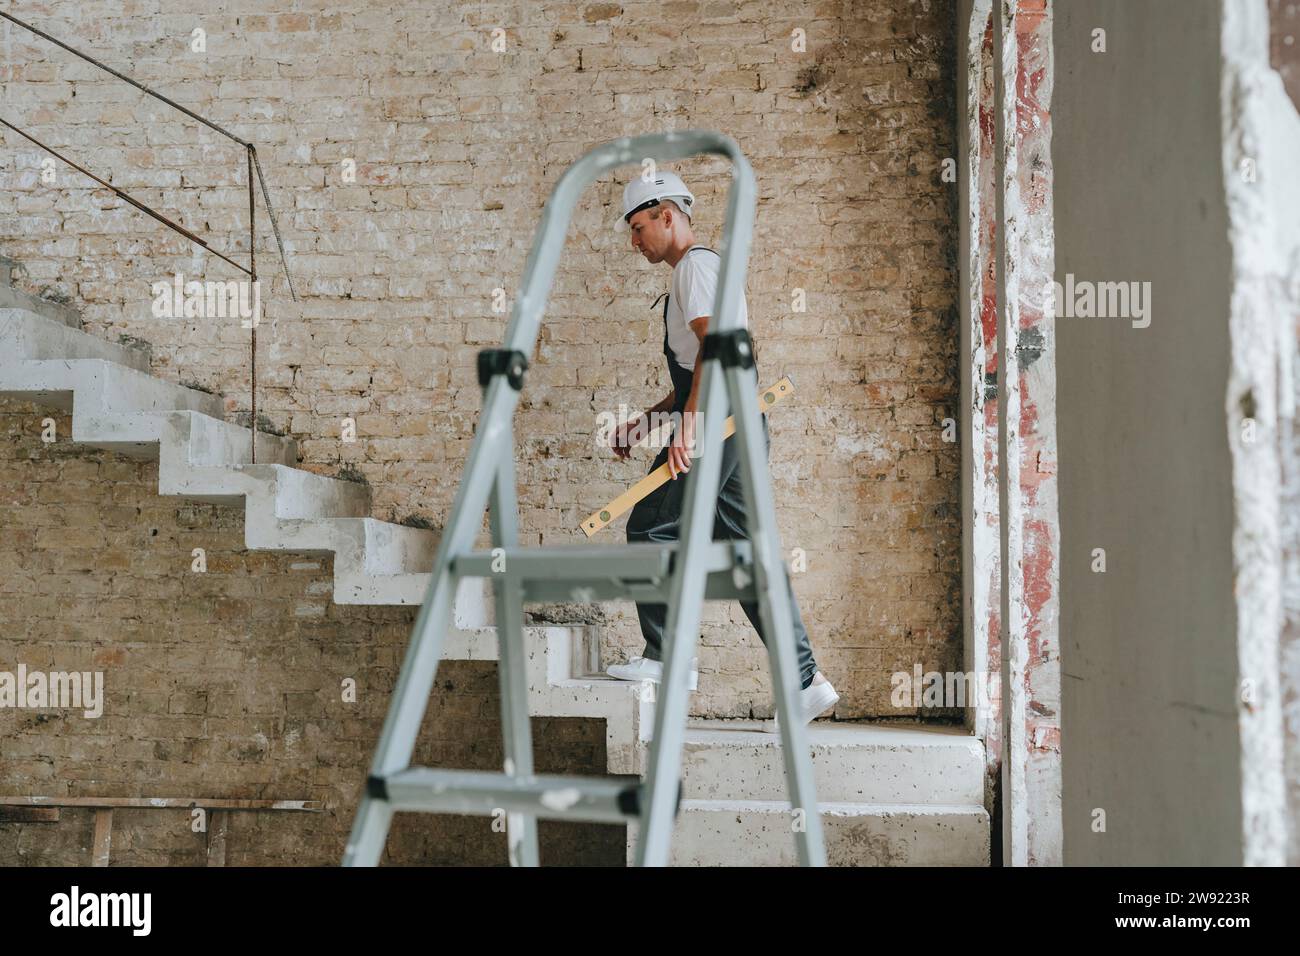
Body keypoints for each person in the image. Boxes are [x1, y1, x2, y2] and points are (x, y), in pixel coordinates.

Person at [604, 169, 839, 729]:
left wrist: (689, 429)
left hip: (721, 422)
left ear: (668, 215)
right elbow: (695, 369)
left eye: (640, 228)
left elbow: (718, 348)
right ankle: (805, 683)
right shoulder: (696, 273)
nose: (636, 243)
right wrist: (651, 421)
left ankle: (666, 660)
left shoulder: (695, 269)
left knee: (650, 527)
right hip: (733, 420)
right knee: (745, 560)